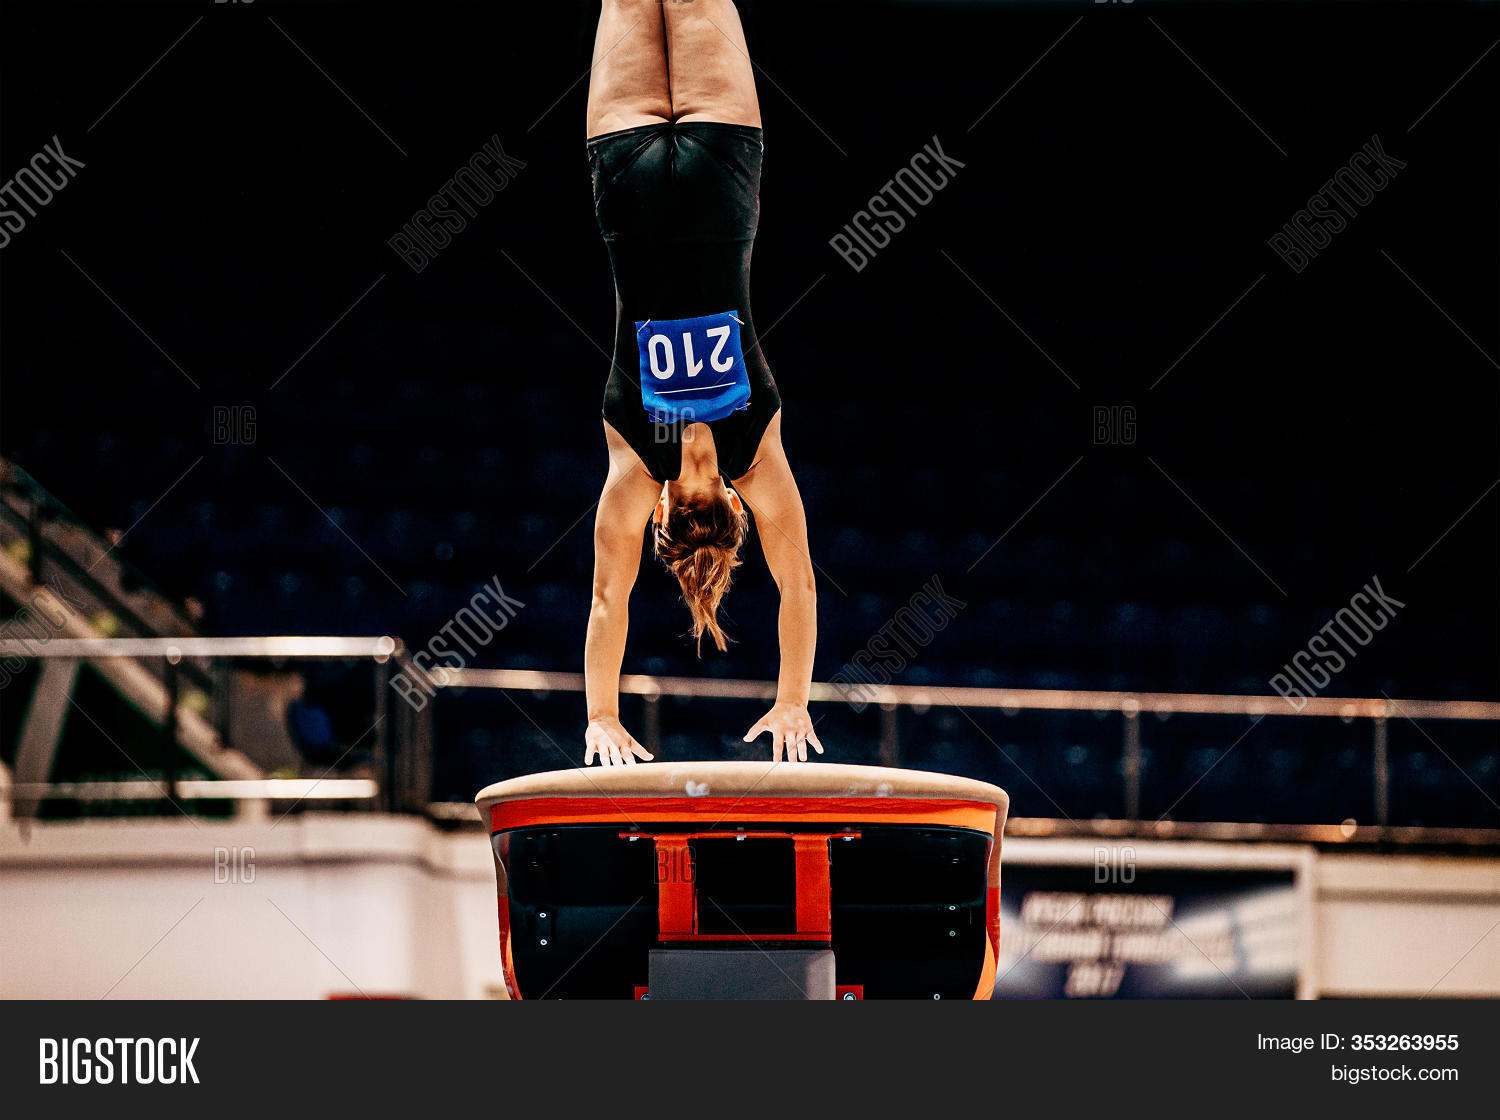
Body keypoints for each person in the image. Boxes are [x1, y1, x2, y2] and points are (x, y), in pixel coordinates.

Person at [581, 0, 821, 767]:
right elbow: (606, 600)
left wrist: (793, 700)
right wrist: (602, 716)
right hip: (628, 179)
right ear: (663, 519)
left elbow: (801, 591)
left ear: (738, 512)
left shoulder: (758, 453)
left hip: (722, 171)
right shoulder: (633, 467)